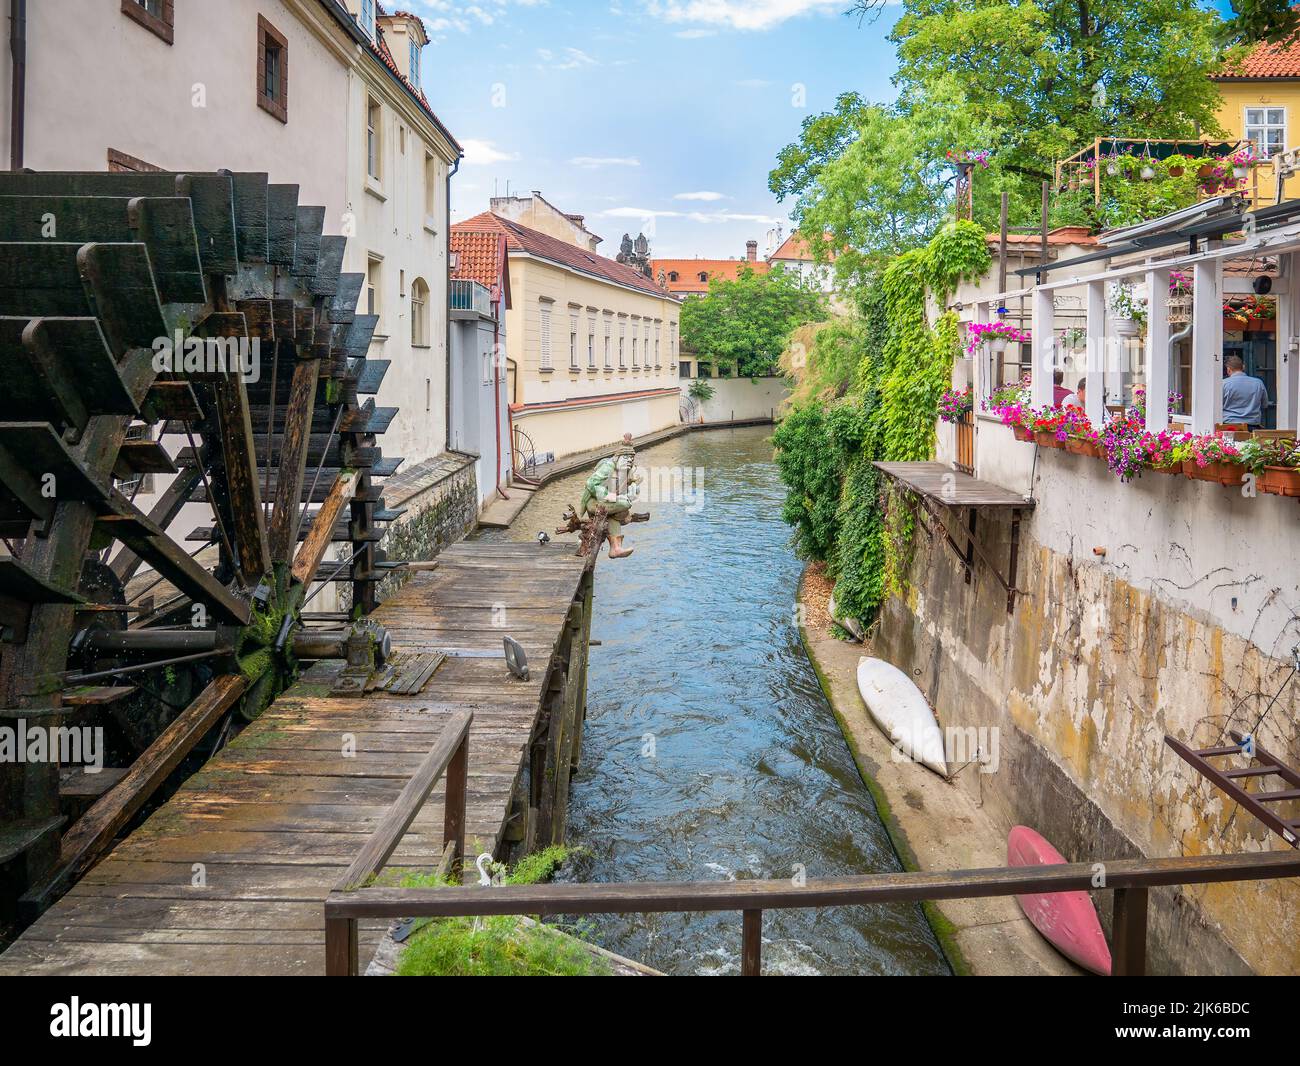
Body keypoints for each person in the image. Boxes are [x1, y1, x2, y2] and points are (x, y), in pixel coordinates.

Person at [581, 433, 642, 559]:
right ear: (618, 458)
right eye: (626, 458)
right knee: (623, 503)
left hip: (607, 505)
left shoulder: (625, 472)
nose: (629, 461)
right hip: (593, 502)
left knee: (618, 510)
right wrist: (611, 497)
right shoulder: (608, 467)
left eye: (631, 459)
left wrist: (633, 490)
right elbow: (591, 484)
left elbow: (623, 492)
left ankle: (615, 548)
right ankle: (613, 547)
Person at [1221, 355, 1268, 428]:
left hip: (1229, 425)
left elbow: (1217, 406)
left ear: (1228, 369)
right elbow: (1264, 404)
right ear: (1243, 367)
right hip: (1253, 425)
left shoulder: (1223, 384)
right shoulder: (1258, 383)